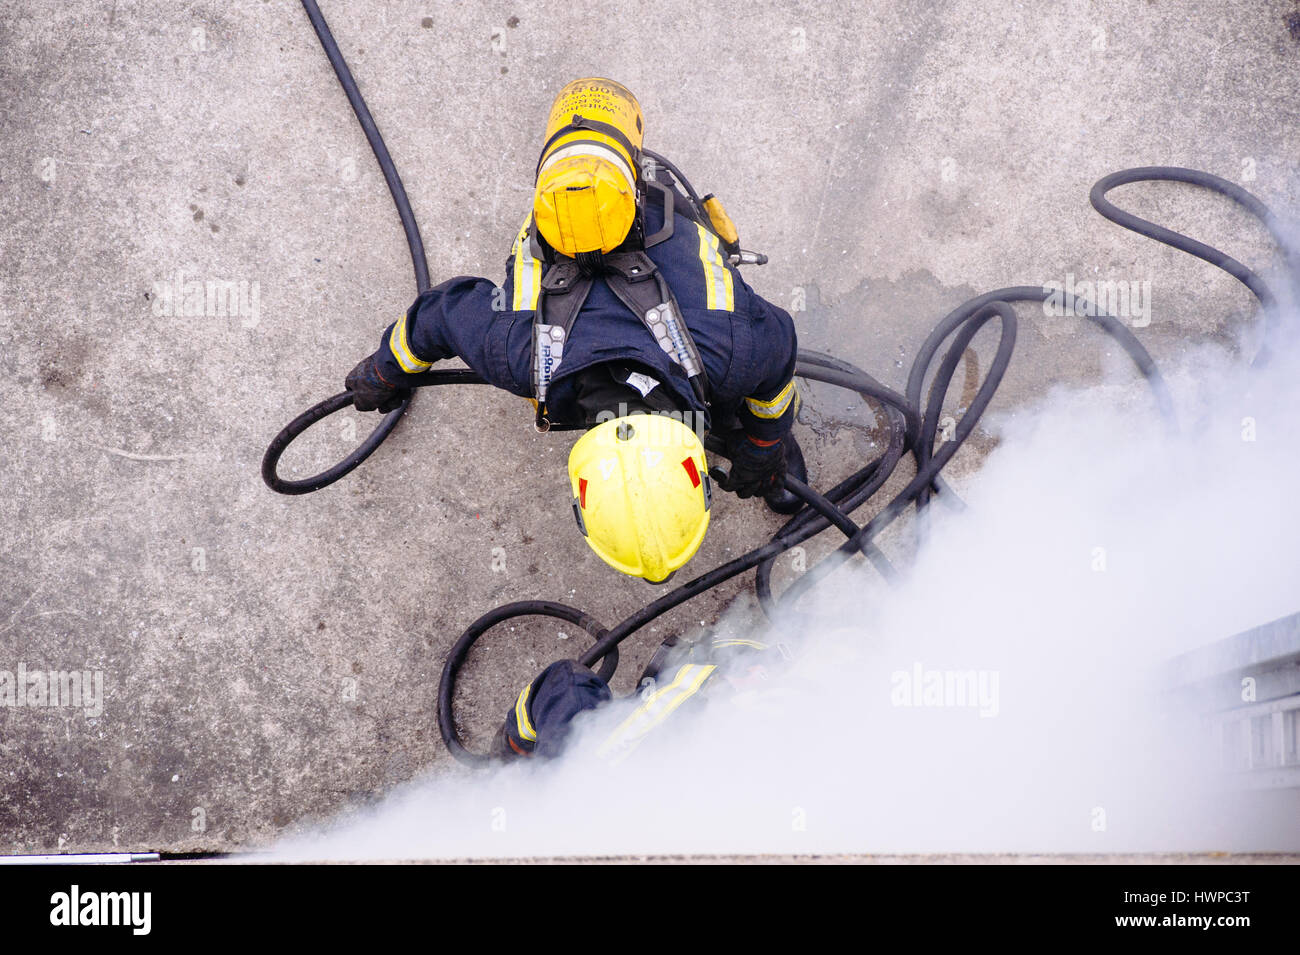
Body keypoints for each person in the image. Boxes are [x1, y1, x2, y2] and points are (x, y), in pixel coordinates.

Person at [345, 77, 805, 587]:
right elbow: (437, 317)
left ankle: (750, 440)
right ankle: (747, 439)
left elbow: (440, 314)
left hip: (652, 204)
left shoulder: (736, 350)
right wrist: (385, 371)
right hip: (584, 219)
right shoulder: (514, 354)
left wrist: (765, 445)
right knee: (725, 392)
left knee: (729, 391)